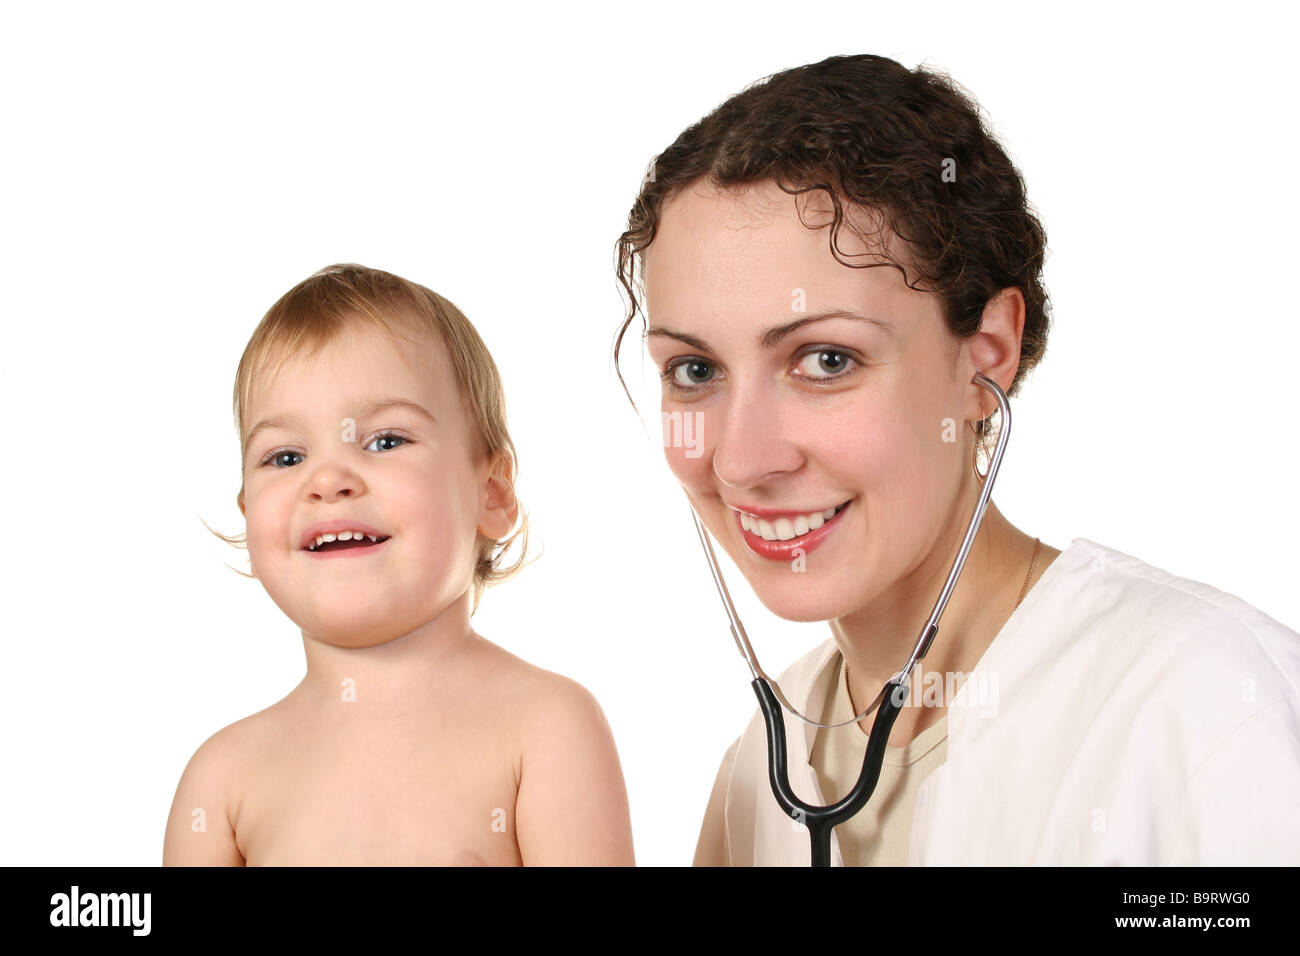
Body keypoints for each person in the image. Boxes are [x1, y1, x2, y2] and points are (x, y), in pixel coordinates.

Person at [613, 54, 1300, 865]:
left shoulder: (1207, 706)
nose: (741, 459)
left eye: (826, 360)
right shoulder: (757, 786)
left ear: (987, 356)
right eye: (694, 371)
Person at [164, 264, 634, 865]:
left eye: (385, 441)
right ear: (248, 511)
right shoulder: (222, 781)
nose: (328, 480)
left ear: (490, 493)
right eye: (285, 457)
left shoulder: (543, 729)